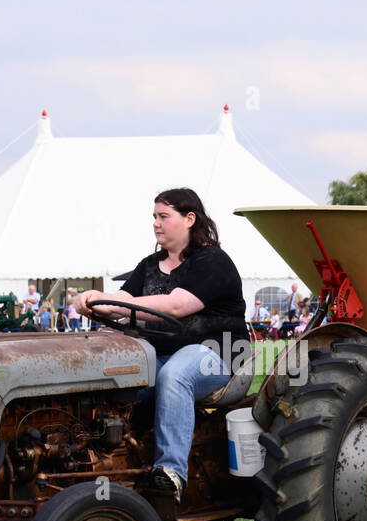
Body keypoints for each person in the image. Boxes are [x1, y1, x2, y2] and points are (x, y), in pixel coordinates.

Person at [74, 187, 249, 501]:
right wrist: (90, 300)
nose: (156, 223)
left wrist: (116, 303)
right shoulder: (149, 265)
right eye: (154, 216)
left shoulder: (212, 261)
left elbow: (176, 306)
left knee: (175, 375)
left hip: (218, 352)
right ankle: (105, 463)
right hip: (162, 354)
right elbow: (125, 300)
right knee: (111, 378)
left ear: (189, 219)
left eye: (164, 216)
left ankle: (171, 472)